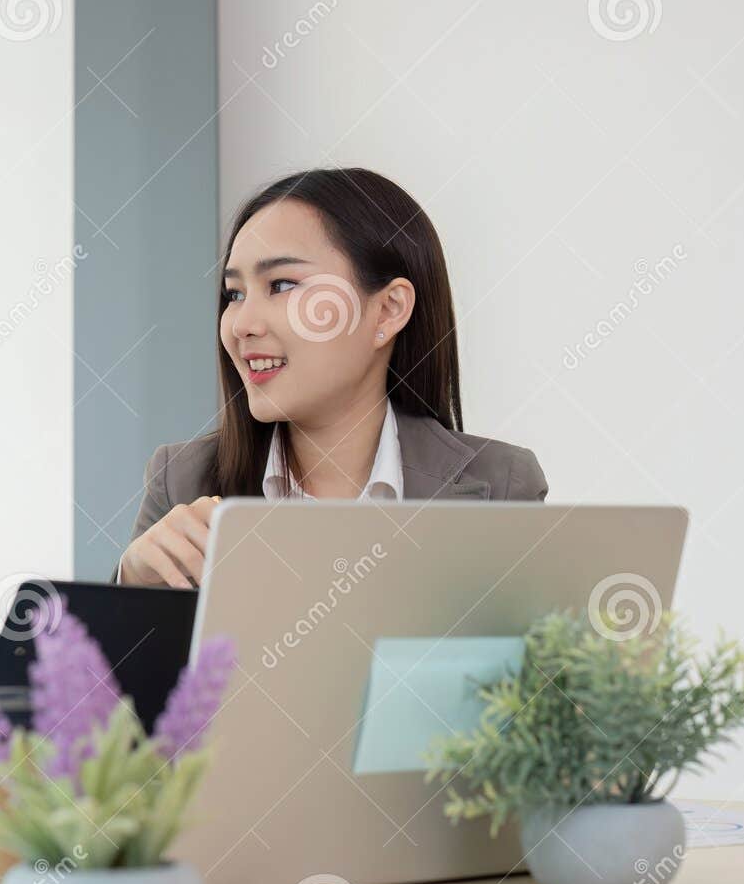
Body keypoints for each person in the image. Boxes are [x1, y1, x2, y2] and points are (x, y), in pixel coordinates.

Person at [119, 167, 547, 588]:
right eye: (235, 294)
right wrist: (133, 589)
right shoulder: (182, 482)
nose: (240, 324)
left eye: (282, 284)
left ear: (388, 309)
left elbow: (550, 657)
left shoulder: (500, 484)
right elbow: (107, 659)